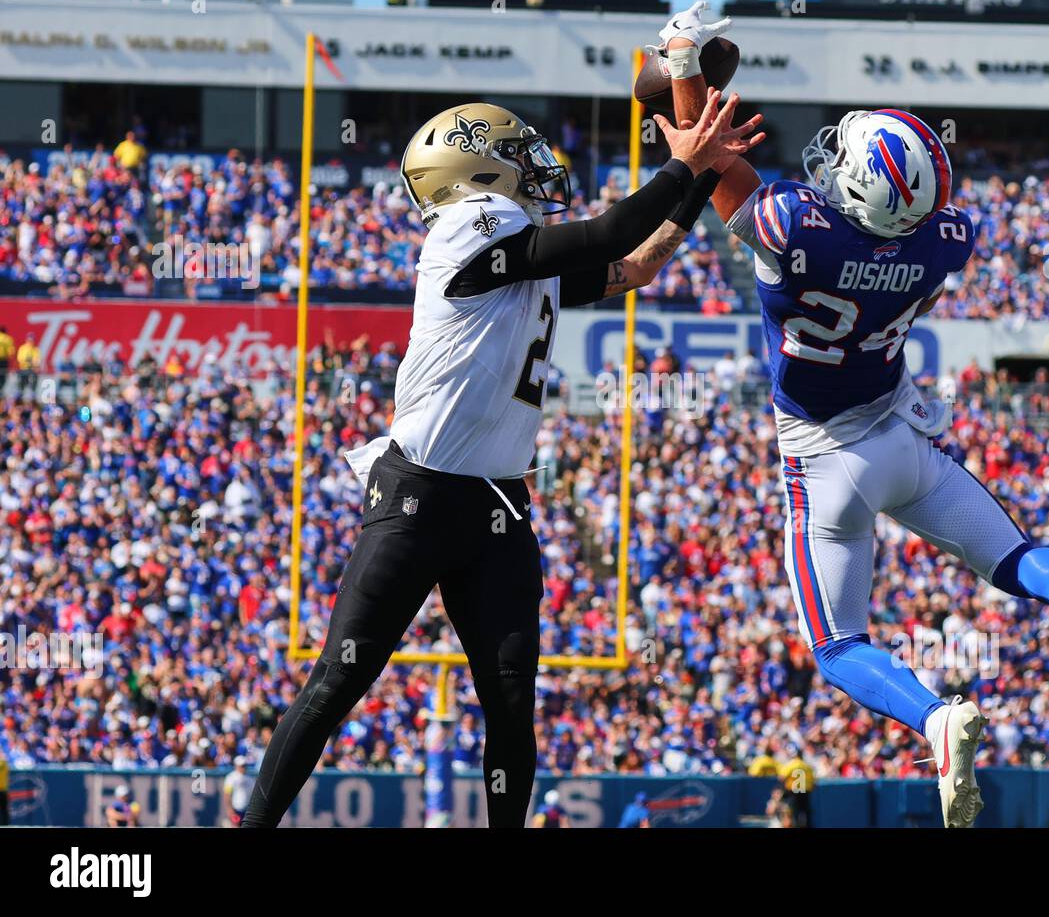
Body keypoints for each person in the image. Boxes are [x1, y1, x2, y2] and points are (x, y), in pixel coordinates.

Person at [657, 0, 1049, 829]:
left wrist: (683, 61)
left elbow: (700, 160)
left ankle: (934, 716)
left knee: (837, 646)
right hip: (906, 441)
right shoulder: (941, 238)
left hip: (824, 461)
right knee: (1012, 551)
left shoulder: (796, 228)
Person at [241, 96, 762, 829]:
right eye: (516, 155)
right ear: (473, 169)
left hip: (496, 506)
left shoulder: (519, 255)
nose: (535, 168)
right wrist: (684, 163)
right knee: (339, 680)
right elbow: (610, 231)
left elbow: (638, 263)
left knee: (512, 700)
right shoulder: (469, 226)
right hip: (417, 496)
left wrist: (703, 175)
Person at [0, 326, 13, 395]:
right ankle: (1, 391)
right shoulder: (7, 339)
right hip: (3, 361)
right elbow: (10, 352)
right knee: (3, 376)